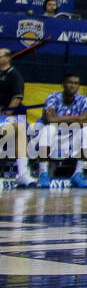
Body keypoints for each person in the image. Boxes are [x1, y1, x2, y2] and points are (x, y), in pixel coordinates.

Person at [32, 73, 87, 188]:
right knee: (49, 129)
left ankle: (78, 174)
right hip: (53, 135)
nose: (73, 86)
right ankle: (43, 173)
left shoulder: (83, 99)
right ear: (63, 84)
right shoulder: (52, 97)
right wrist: (76, 118)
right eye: (70, 82)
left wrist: (59, 118)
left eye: (76, 83)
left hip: (70, 135)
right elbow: (50, 119)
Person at [0, 49, 35, 186]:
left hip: (6, 116)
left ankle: (23, 174)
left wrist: (5, 114)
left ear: (7, 58)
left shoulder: (14, 75)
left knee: (20, 128)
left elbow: (16, 97)